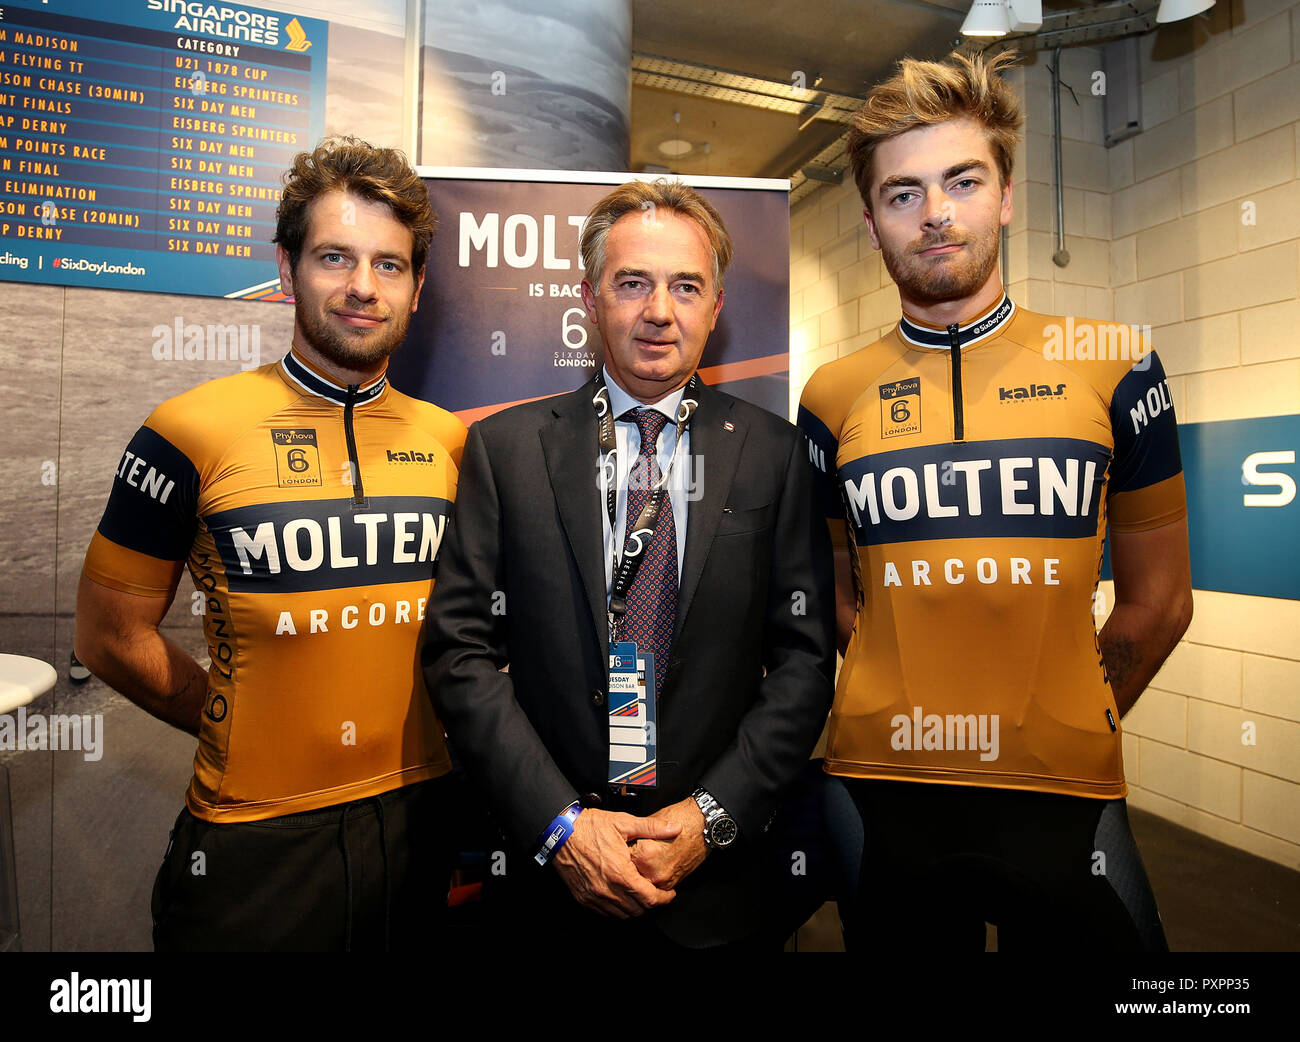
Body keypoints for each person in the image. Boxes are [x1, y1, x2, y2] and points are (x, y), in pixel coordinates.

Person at [798, 52, 1193, 951]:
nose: (935, 214)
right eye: (903, 194)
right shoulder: (830, 395)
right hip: (879, 791)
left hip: (1064, 793)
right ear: (871, 224)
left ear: (1005, 195)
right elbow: (831, 591)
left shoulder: (1115, 362)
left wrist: (1063, 713)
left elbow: (1161, 597)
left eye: (961, 181)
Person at [74, 137, 467, 951]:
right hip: (254, 844)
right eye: (335, 257)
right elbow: (108, 637)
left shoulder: (455, 441)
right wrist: (219, 713)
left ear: (418, 288)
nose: (363, 287)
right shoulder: (186, 430)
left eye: (389, 265)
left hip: (424, 820)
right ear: (287, 271)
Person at [423, 179, 836, 951]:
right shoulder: (506, 451)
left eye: (686, 286)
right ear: (589, 295)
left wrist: (710, 818)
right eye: (633, 283)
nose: (659, 310)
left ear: (716, 308)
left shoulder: (774, 458)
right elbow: (459, 653)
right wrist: (562, 826)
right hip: (549, 884)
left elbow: (804, 663)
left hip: (717, 887)